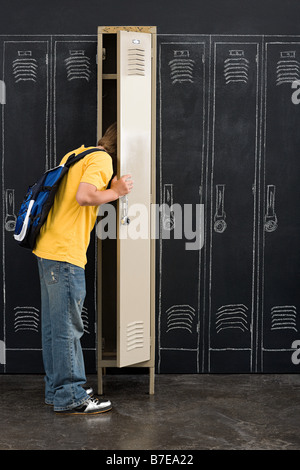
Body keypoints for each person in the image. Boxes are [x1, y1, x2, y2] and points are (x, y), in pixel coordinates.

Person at [33, 123, 133, 415]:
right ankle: (72, 395)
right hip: (65, 252)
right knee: (67, 328)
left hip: (48, 247)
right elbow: (84, 196)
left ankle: (58, 389)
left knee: (54, 327)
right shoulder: (102, 159)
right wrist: (117, 192)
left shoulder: (78, 153)